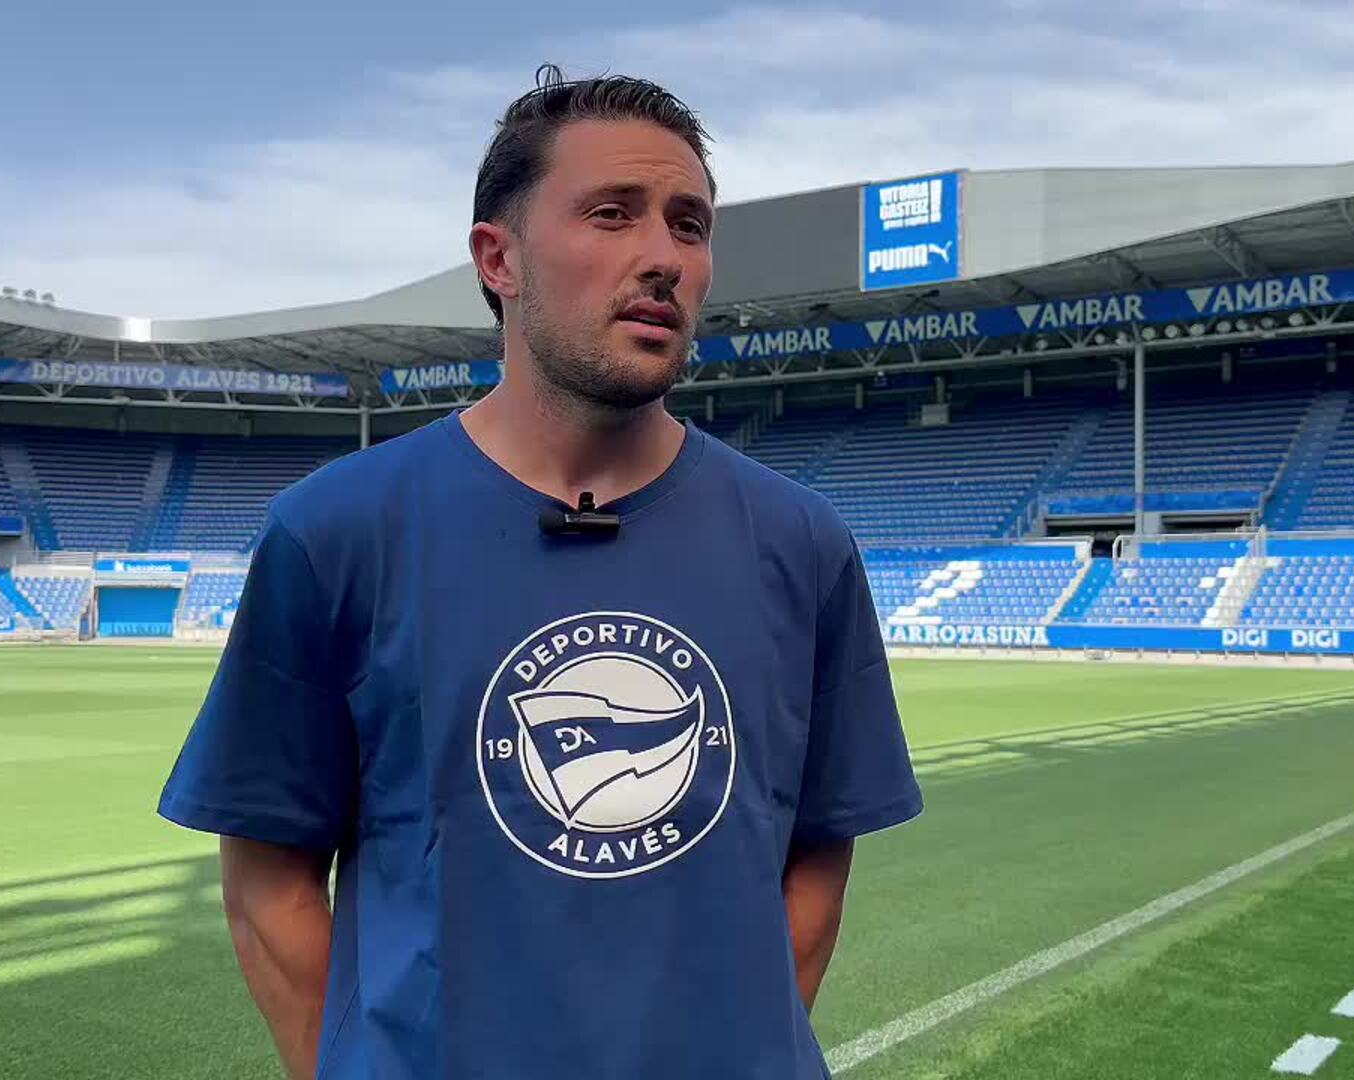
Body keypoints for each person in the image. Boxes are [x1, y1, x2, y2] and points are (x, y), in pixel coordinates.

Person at [157, 67, 922, 1079]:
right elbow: (267, 877)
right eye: (612, 214)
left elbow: (820, 852)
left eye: (689, 226)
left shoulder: (803, 542)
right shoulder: (334, 532)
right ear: (500, 257)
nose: (663, 257)